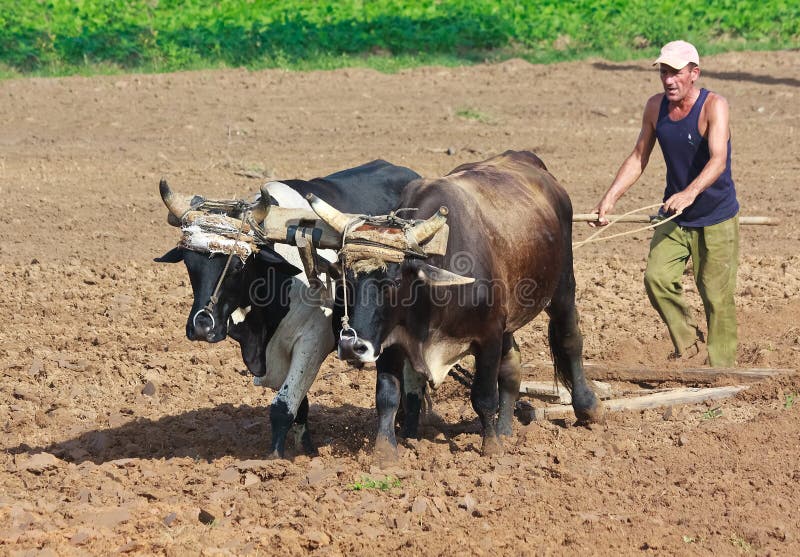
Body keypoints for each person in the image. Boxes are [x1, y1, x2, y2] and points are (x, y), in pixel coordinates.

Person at [590, 40, 739, 367]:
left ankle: (723, 369)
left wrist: (690, 192)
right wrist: (610, 199)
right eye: (664, 72)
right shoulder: (655, 107)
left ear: (694, 73)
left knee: (715, 295)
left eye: (676, 73)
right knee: (656, 278)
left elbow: (718, 160)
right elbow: (639, 156)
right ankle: (689, 347)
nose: (669, 79)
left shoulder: (714, 106)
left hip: (715, 216)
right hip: (674, 216)